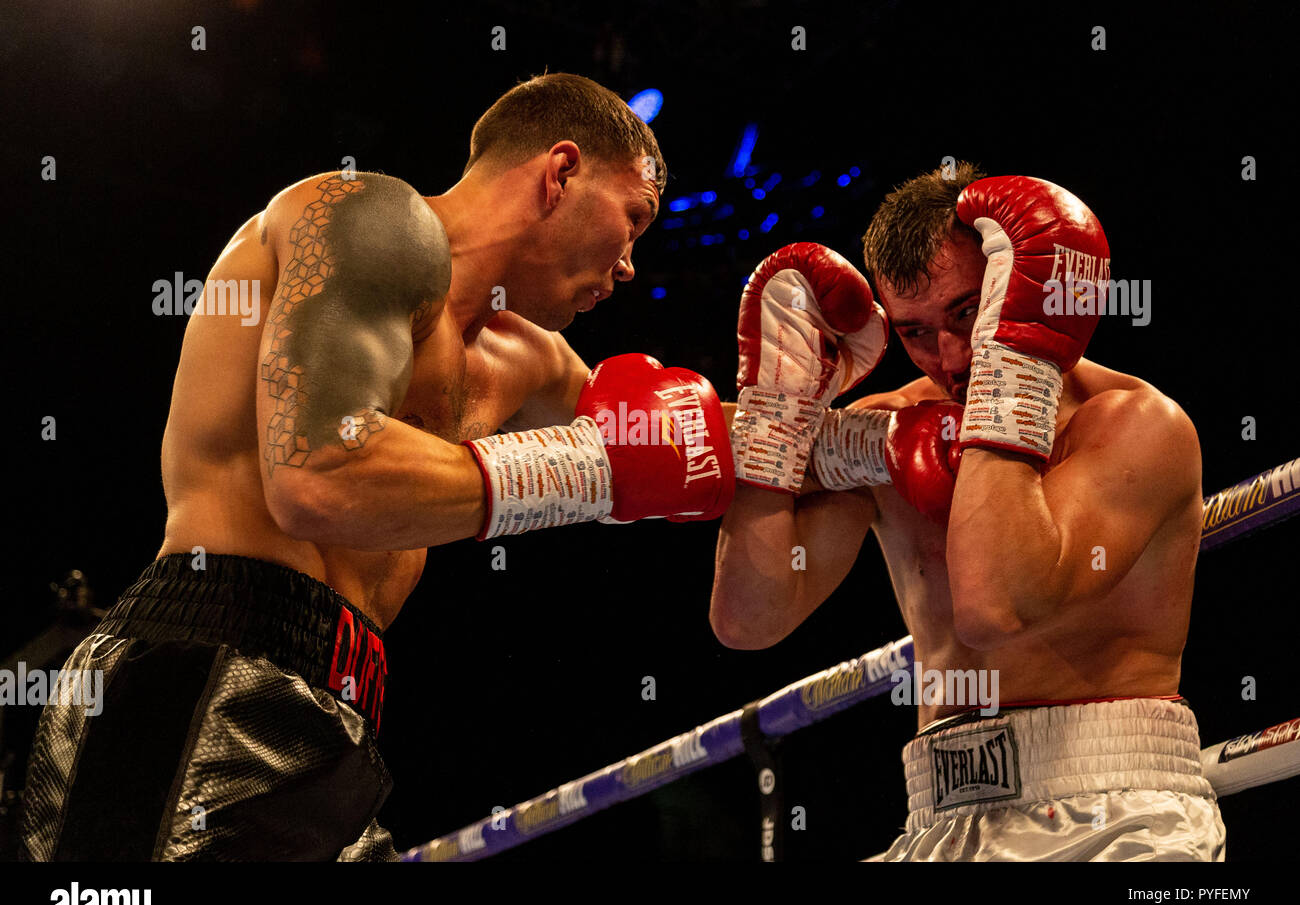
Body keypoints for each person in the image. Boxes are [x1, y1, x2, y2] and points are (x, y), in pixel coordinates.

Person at [19, 72, 732, 862]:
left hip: (338, 708)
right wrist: (578, 473)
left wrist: (823, 423)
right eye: (635, 218)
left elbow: (680, 438)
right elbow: (320, 473)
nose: (631, 265)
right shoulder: (369, 216)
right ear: (559, 172)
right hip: (202, 667)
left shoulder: (527, 356)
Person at [712, 163, 1224, 861]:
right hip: (940, 818)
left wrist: (1010, 376)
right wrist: (776, 420)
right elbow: (749, 620)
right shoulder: (885, 427)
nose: (951, 357)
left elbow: (994, 608)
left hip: (1113, 812)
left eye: (965, 312)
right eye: (916, 332)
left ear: (1019, 288)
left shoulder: (1135, 427)